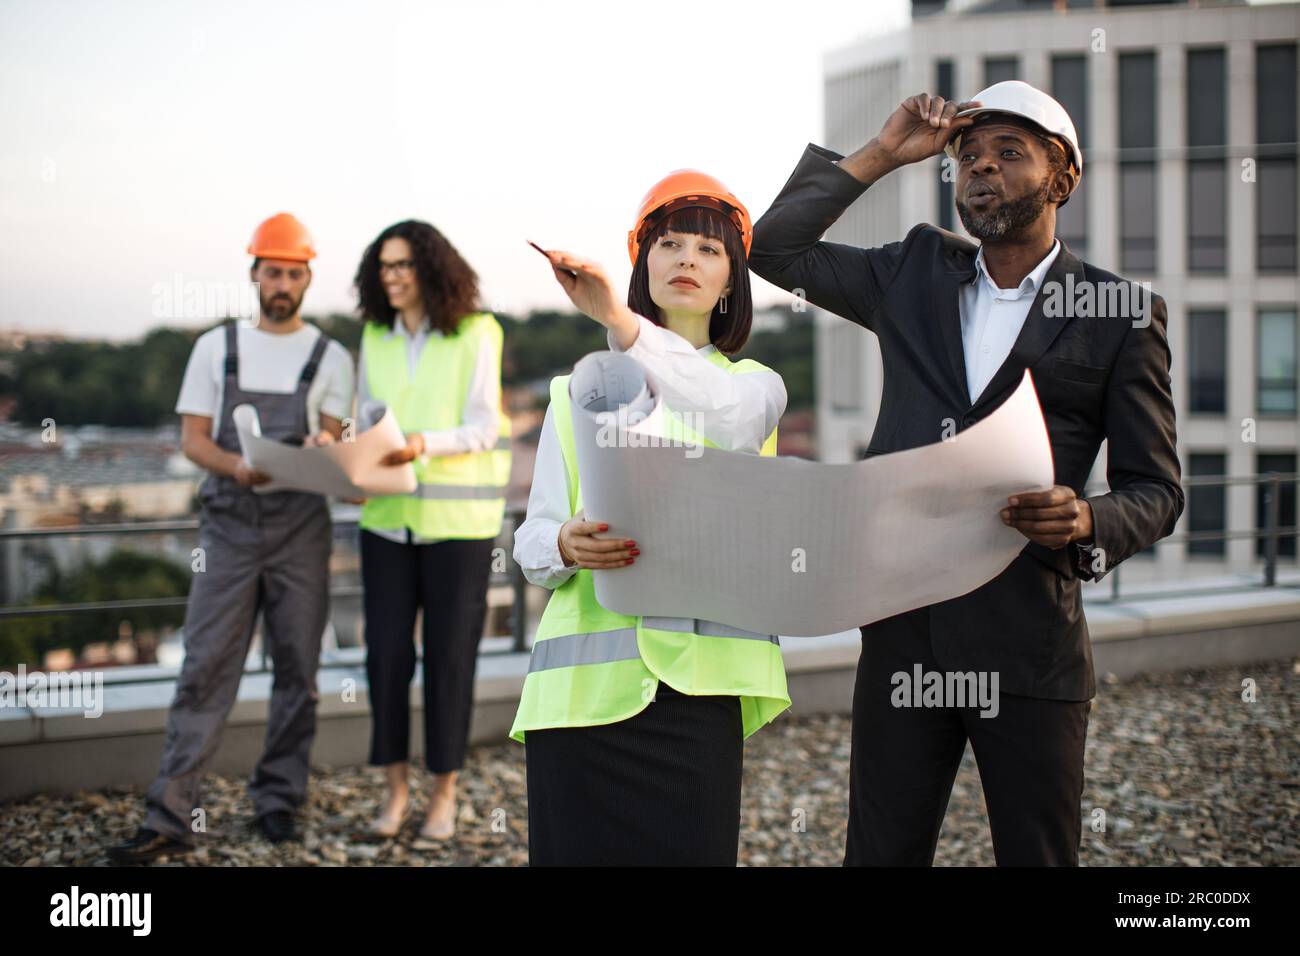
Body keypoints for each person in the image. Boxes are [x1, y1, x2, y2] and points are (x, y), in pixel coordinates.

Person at [749, 80, 1184, 866]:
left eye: (1008, 154)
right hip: (903, 632)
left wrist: (1086, 519)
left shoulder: (1122, 313)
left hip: (1028, 641)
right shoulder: (913, 270)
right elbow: (774, 250)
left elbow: (1158, 491)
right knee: (880, 854)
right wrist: (882, 153)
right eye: (967, 159)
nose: (980, 170)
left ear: (1063, 176)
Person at [511, 171, 791, 865]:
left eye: (709, 249)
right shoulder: (575, 390)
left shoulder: (754, 388)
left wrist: (622, 326)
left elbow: (719, 421)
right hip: (579, 705)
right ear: (643, 265)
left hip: (697, 700)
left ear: (731, 280)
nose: (687, 259)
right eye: (668, 244)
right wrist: (566, 545)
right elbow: (532, 543)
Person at [108, 213, 355, 863]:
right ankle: (168, 813)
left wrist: (326, 444)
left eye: (294, 273)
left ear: (307, 279)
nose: (282, 283)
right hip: (228, 524)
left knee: (298, 670)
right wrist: (235, 465)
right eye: (272, 270)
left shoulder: (332, 357)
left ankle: (278, 800)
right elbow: (193, 440)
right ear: (253, 273)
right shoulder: (214, 349)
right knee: (205, 666)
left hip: (301, 527)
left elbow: (335, 439)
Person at [347, 220, 511, 841]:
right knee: (385, 658)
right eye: (383, 266)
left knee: (449, 661)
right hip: (385, 522)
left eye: (403, 265)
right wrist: (348, 455)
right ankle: (393, 794)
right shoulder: (374, 337)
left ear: (432, 269)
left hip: (458, 527)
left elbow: (484, 428)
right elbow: (364, 418)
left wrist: (420, 445)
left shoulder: (476, 333)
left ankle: (442, 796)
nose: (391, 277)